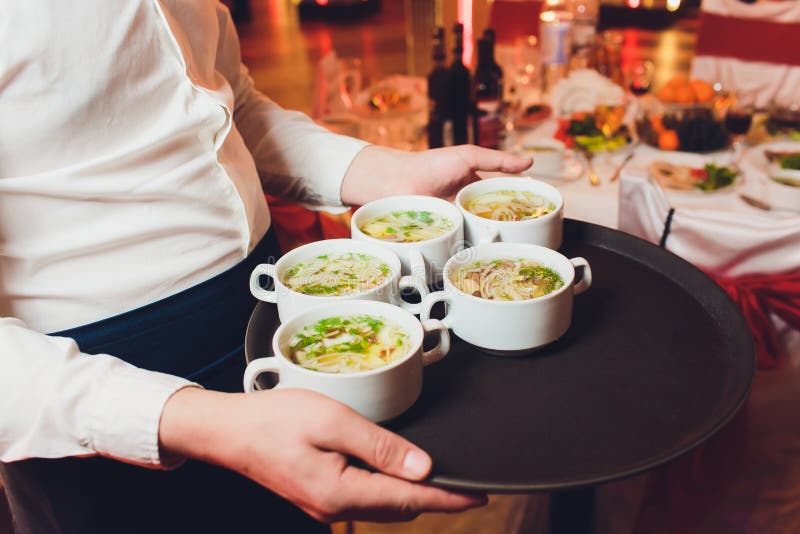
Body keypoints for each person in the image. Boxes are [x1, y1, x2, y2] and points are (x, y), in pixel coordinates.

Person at [0, 2, 531, 532]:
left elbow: (226, 106)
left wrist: (386, 171)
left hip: (271, 315)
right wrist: (197, 421)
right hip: (95, 393)